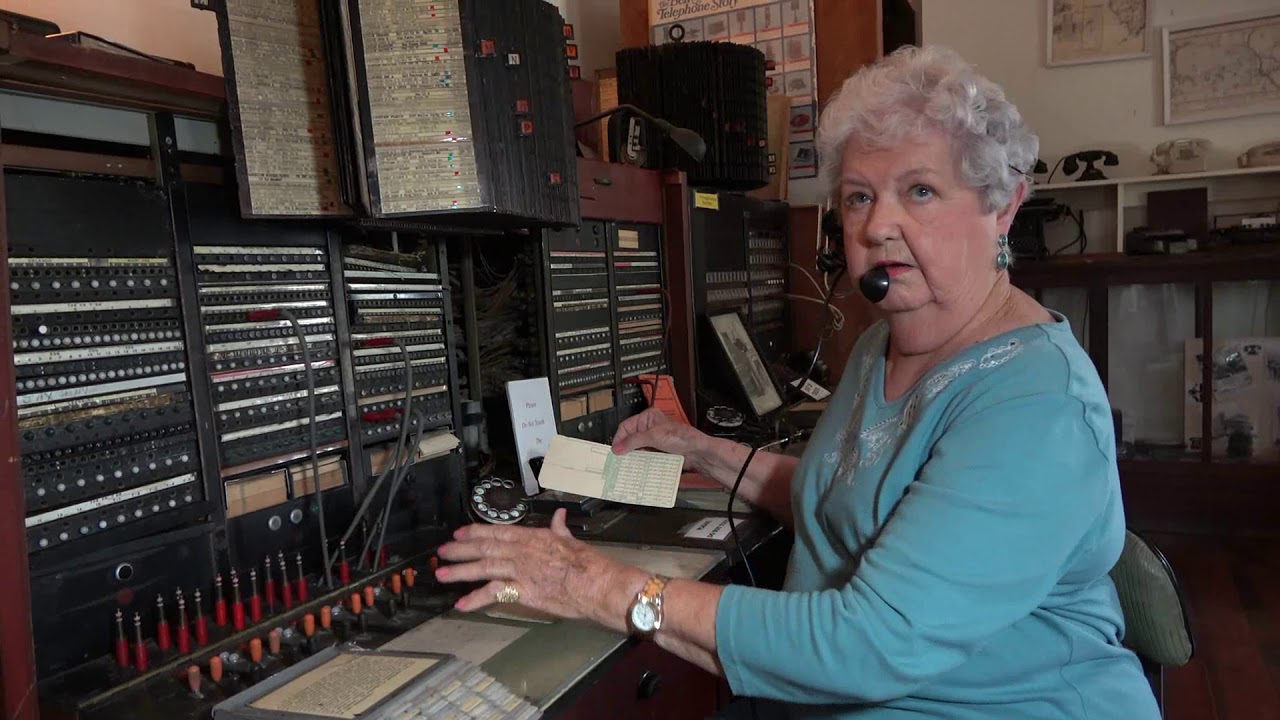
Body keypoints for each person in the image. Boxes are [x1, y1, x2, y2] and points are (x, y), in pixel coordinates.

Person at [435, 45, 1161, 719]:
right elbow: (843, 496)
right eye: (858, 197)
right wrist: (700, 447)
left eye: (920, 191)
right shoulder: (884, 345)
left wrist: (596, 585)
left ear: (1002, 207)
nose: (880, 226)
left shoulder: (1035, 404)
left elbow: (870, 645)